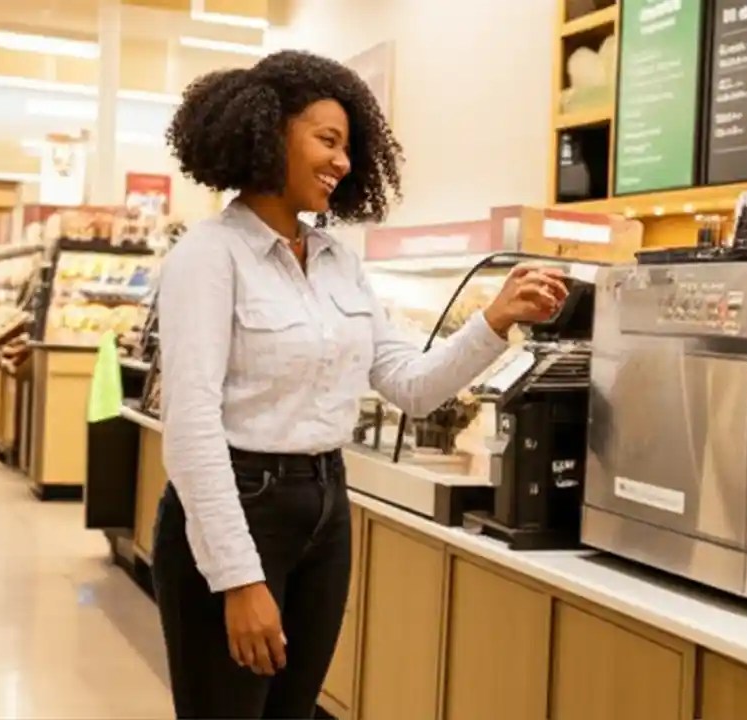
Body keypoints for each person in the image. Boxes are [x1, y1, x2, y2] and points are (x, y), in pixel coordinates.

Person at [154, 50, 568, 719]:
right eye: (326, 141)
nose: (342, 163)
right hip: (239, 507)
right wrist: (237, 576)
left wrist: (495, 320)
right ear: (267, 133)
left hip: (325, 509)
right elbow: (192, 428)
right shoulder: (209, 256)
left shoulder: (338, 262)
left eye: (348, 147)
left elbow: (410, 386)